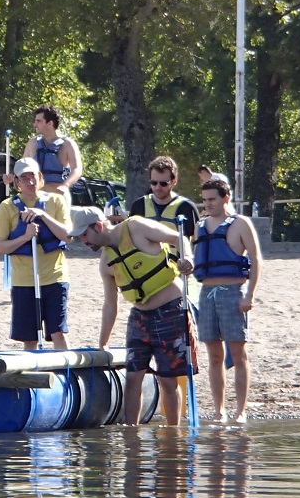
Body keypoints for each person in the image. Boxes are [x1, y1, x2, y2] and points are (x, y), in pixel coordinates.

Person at [71, 206, 196, 426]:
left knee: (167, 380)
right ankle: (132, 437)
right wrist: (103, 343)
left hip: (171, 310)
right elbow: (110, 305)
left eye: (84, 234)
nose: (83, 241)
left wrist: (189, 259)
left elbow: (179, 238)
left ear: (98, 226)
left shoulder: (136, 227)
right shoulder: (106, 262)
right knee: (133, 377)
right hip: (140, 317)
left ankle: (172, 436)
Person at [193, 177, 262, 424]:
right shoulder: (200, 225)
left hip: (233, 292)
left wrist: (249, 294)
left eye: (212, 199)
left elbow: (256, 260)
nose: (208, 204)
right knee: (213, 354)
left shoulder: (240, 223)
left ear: (225, 198)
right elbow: (197, 258)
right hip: (206, 293)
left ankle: (240, 411)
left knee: (238, 352)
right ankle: (218, 410)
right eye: (205, 200)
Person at [0, 157, 72, 348]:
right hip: (24, 281)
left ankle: (66, 375)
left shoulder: (56, 201)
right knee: (30, 339)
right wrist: (25, 238)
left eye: (33, 176)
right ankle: (34, 376)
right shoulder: (7, 207)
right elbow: (0, 248)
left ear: (40, 177)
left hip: (55, 277)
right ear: (17, 182)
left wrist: (43, 215)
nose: (30, 182)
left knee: (58, 332)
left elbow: (68, 235)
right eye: (24, 178)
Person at [7, 105, 83, 205]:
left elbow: (77, 170)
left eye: (39, 121)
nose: (35, 125)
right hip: (35, 196)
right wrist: (11, 177)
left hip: (58, 197)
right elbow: (21, 167)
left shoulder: (68, 144)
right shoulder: (33, 143)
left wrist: (65, 185)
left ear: (50, 123)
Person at [129, 155, 200, 240]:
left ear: (174, 181)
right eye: (153, 182)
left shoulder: (187, 207)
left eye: (163, 183)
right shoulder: (139, 205)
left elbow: (197, 243)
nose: (158, 187)